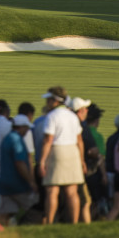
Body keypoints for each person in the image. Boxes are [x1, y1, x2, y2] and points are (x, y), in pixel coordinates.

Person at [37, 87, 83, 224]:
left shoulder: (51, 116)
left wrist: (42, 161)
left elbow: (48, 140)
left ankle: (50, 222)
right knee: (72, 191)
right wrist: (82, 160)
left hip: (58, 151)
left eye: (49, 99)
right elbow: (79, 140)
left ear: (55, 101)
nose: (47, 102)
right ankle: (74, 222)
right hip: (73, 151)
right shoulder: (72, 116)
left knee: (52, 190)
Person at [0, 114, 37, 228]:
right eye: (26, 128)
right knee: (35, 208)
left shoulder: (7, 138)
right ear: (21, 127)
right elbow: (20, 163)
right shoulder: (17, 140)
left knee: (6, 212)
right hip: (17, 184)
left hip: (5, 184)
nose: (27, 131)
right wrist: (30, 181)